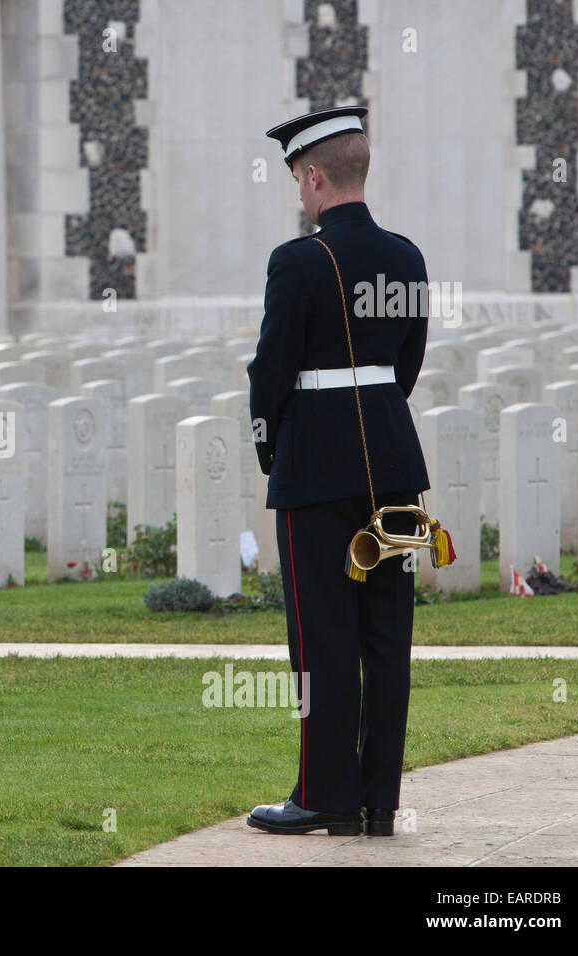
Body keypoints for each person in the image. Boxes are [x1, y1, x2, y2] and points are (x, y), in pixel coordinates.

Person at [245, 106, 431, 836]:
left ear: (314, 176)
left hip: (318, 472)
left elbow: (272, 369)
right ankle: (378, 798)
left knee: (322, 637)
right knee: (387, 634)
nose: (299, 192)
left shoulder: (297, 262)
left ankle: (325, 794)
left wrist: (272, 445)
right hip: (394, 466)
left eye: (297, 178)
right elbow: (405, 364)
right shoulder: (409, 257)